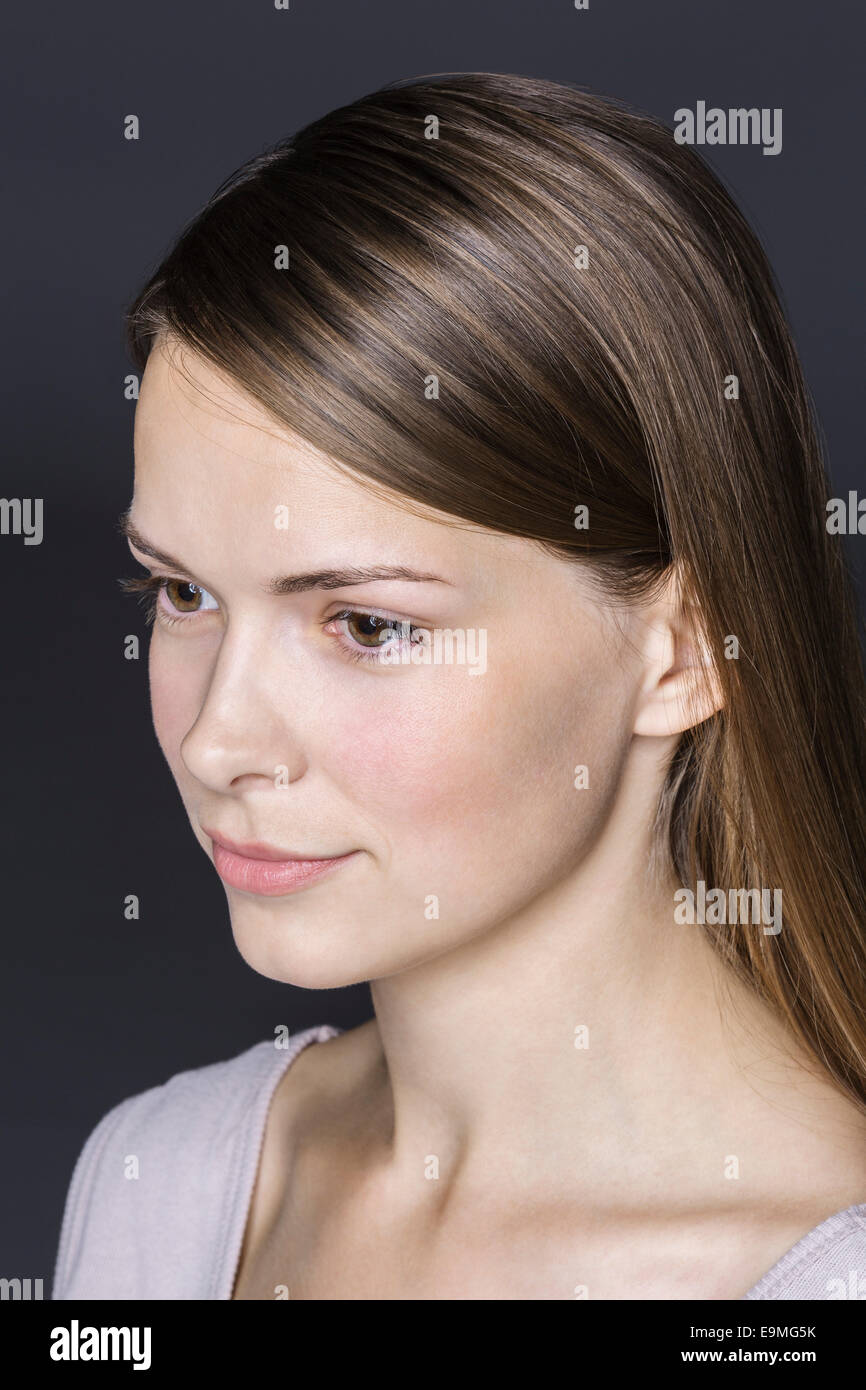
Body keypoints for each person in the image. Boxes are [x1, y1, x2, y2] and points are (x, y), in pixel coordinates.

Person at [53, 72, 866, 1300]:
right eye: (184, 594)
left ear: (685, 649)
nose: (220, 740)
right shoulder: (153, 1187)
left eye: (366, 623)